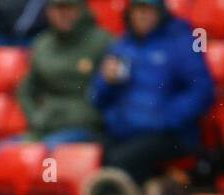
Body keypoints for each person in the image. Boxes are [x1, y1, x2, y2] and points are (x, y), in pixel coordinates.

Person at [89, 0, 214, 183]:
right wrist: (106, 82)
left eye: (148, 10)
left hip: (169, 133)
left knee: (122, 161)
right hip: (124, 131)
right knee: (92, 156)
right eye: (138, 10)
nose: (142, 16)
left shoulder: (180, 42)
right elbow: (97, 99)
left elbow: (202, 90)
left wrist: (166, 117)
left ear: (161, 13)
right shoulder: (121, 45)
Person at [15, 0, 111, 147]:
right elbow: (25, 90)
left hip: (85, 128)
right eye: (58, 8)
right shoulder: (42, 44)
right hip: (46, 126)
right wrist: (35, 117)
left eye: (69, 8)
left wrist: (94, 118)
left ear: (81, 10)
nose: (63, 14)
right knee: (2, 154)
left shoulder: (102, 41)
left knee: (45, 153)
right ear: (49, 12)